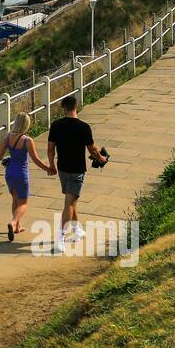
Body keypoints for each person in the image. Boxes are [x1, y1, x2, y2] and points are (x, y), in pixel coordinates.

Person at [47, 96, 107, 245]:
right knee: (69, 204)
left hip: (62, 168)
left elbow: (50, 149)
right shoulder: (84, 127)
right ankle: (60, 238)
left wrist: (51, 165)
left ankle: (77, 230)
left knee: (71, 200)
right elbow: (92, 149)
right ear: (76, 107)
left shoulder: (56, 125)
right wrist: (101, 158)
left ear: (63, 108)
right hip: (77, 170)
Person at [0, 113, 53, 242]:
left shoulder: (8, 137)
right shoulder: (27, 140)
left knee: (15, 199)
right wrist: (48, 169)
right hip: (21, 173)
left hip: (9, 172)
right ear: (26, 125)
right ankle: (13, 222)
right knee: (23, 203)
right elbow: (36, 160)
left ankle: (17, 227)